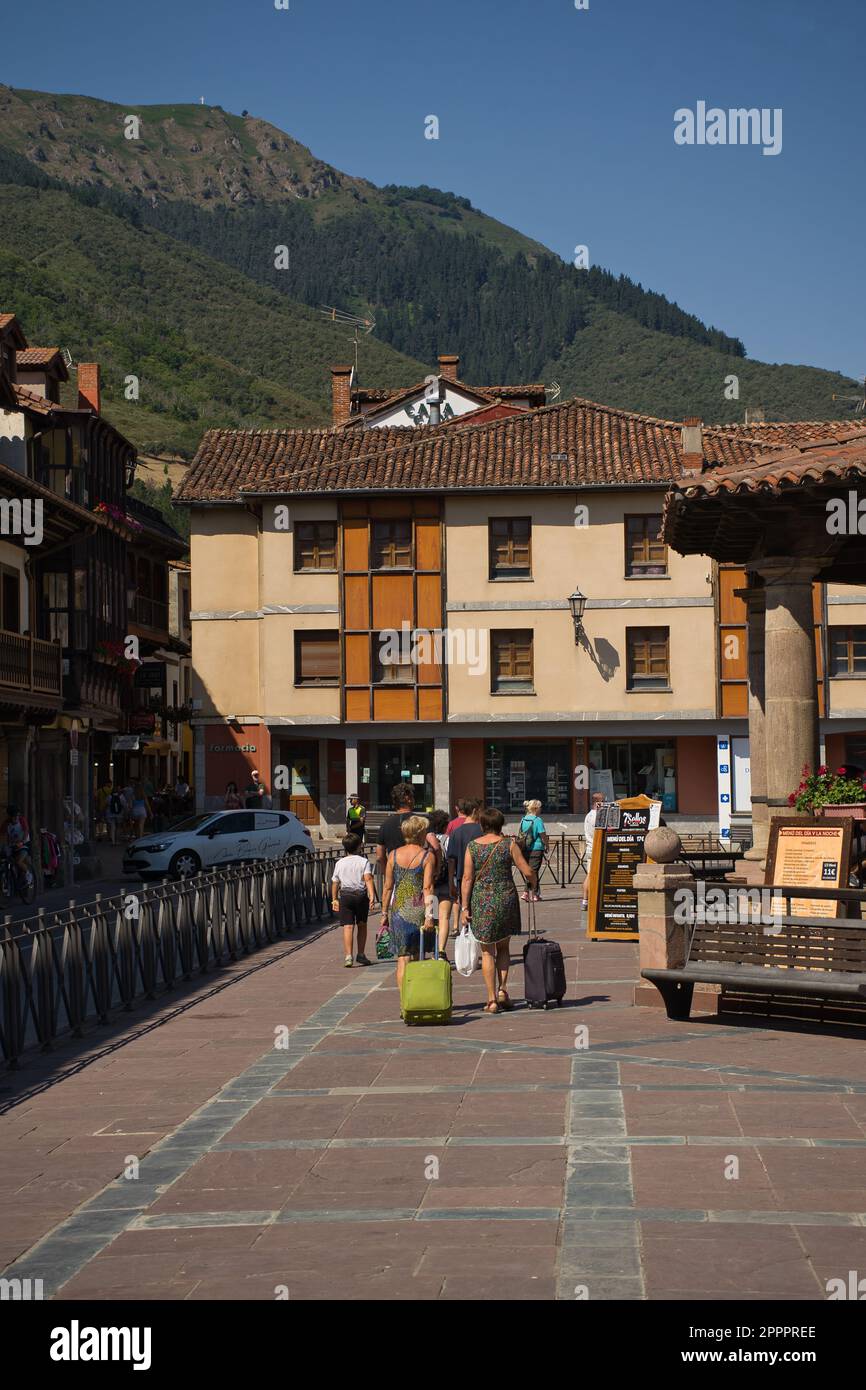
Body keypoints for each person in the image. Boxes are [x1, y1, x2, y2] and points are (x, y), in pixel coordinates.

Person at [461, 807, 535, 1014]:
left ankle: (491, 999)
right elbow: (527, 871)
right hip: (506, 899)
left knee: (487, 952)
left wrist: (464, 906)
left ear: (482, 825)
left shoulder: (472, 847)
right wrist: (533, 884)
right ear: (500, 825)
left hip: (481, 900)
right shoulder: (508, 845)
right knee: (503, 947)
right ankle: (503, 990)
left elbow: (467, 878)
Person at [380, 814, 437, 996]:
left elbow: (388, 887)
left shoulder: (393, 855)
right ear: (421, 833)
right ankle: (417, 998)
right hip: (419, 909)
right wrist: (430, 916)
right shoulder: (427, 856)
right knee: (417, 956)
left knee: (402, 959)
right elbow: (427, 888)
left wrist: (383, 914)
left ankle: (405, 1001)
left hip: (398, 911)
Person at [331, 833, 376, 968]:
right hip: (360, 895)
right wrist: (372, 895)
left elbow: (335, 882)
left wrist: (334, 899)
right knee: (362, 925)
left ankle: (348, 956)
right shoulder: (363, 861)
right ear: (359, 846)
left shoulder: (340, 863)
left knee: (348, 926)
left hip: (345, 896)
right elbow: (368, 878)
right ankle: (361, 954)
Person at [447, 799, 482, 926]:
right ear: (474, 811)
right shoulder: (482, 830)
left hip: (462, 879)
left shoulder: (456, 832)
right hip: (481, 877)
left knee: (467, 913)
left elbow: (451, 859)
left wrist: (451, 881)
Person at [426, 809, 454, 961]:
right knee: (444, 917)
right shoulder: (448, 840)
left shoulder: (425, 839)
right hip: (444, 882)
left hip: (428, 884)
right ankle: (441, 951)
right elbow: (451, 862)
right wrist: (451, 883)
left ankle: (429, 948)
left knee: (430, 917)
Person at [376, 783, 415, 869]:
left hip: (395, 872)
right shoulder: (421, 822)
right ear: (408, 799)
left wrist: (387, 872)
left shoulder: (385, 825)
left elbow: (379, 855)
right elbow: (435, 845)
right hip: (417, 873)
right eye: (413, 797)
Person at [518, 799, 549, 903]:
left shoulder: (523, 819)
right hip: (536, 848)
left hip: (525, 848)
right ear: (536, 808)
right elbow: (543, 835)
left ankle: (535, 894)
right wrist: (547, 844)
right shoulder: (537, 820)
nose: (541, 809)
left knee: (530, 871)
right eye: (540, 807)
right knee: (533, 872)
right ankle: (527, 893)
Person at [582, 791, 605, 910]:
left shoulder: (588, 815)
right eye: (603, 801)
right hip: (596, 849)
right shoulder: (597, 816)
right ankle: (589, 900)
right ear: (598, 803)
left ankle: (585, 900)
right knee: (592, 875)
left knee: (590, 875)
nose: (604, 803)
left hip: (590, 848)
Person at [2, 804, 32, 888]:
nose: (16, 818)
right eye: (14, 816)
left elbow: (26, 831)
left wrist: (22, 841)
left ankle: (29, 875)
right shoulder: (6, 823)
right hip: (13, 846)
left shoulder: (22, 820)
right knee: (6, 860)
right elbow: (1, 833)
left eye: (17, 815)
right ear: (10, 816)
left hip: (24, 844)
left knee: (19, 861)